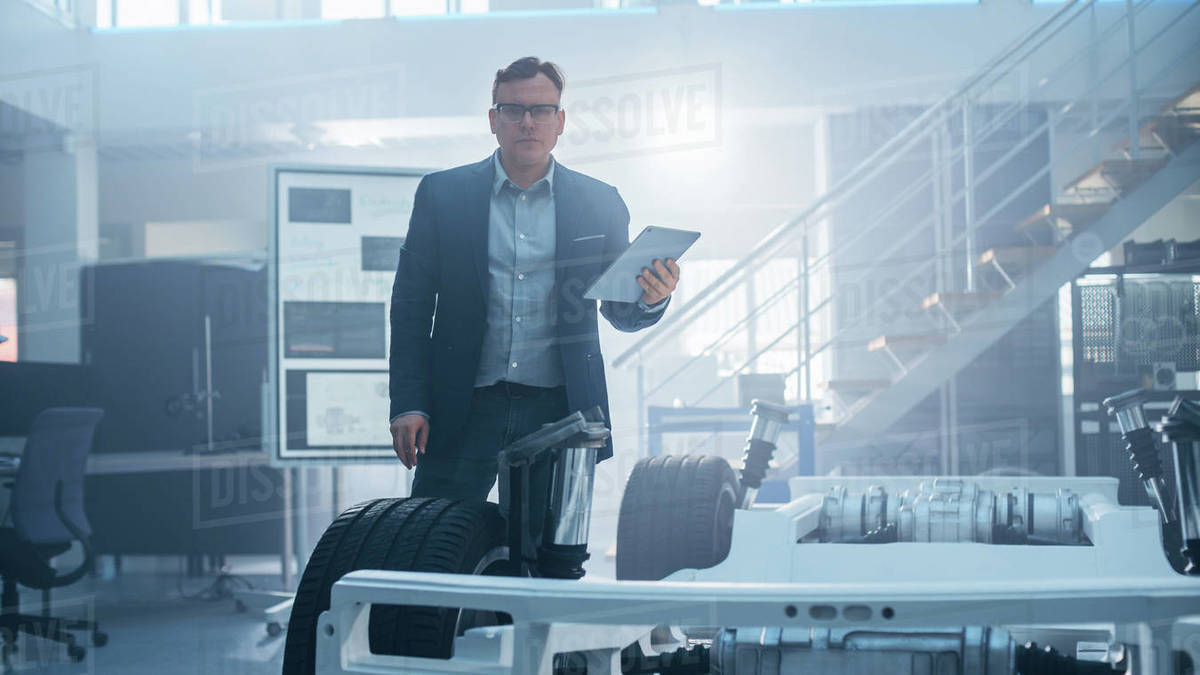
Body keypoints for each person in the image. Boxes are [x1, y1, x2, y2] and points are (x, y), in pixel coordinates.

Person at [388, 57, 679, 518]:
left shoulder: (599, 202)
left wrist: (652, 297)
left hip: (559, 413)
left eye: (542, 110)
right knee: (430, 553)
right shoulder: (442, 195)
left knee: (550, 564)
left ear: (560, 121)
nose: (528, 122)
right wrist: (407, 403)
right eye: (513, 110)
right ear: (493, 120)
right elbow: (410, 307)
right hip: (463, 407)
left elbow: (619, 310)